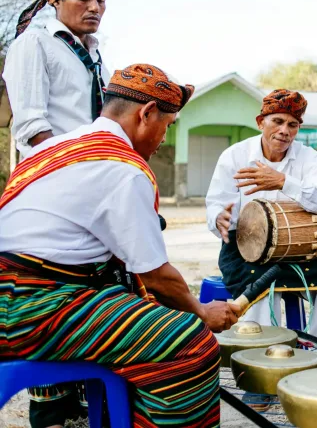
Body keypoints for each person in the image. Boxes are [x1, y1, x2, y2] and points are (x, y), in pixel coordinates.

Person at [0, 64, 238, 428]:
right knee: (190, 344)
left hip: (17, 292)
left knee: (132, 301)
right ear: (146, 114)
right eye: (168, 125)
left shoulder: (52, 149)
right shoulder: (122, 167)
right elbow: (156, 275)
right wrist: (201, 312)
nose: (163, 140)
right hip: (28, 309)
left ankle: (68, 411)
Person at [206, 89, 317, 343]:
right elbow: (215, 204)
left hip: (296, 249)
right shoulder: (234, 156)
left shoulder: (309, 157)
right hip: (243, 249)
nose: (285, 131)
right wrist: (219, 219)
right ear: (261, 122)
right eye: (278, 122)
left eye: (292, 125)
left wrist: (283, 182)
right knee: (258, 282)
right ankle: (260, 355)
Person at [3, 0, 110, 159]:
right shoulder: (34, 44)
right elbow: (32, 127)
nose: (95, 7)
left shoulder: (97, 60)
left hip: (92, 173)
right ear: (56, 0)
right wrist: (71, 168)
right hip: (51, 175)